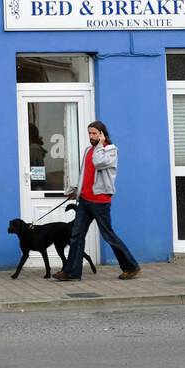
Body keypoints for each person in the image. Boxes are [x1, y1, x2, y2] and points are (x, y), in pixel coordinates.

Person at [55, 120, 141, 281]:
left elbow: (99, 163)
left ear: (102, 134)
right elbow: (85, 175)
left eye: (94, 133)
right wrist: (77, 191)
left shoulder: (111, 150)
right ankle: (72, 272)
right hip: (85, 200)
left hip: (100, 201)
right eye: (89, 133)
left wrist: (101, 145)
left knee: (108, 235)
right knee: (76, 235)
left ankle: (131, 266)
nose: (91, 136)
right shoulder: (89, 150)